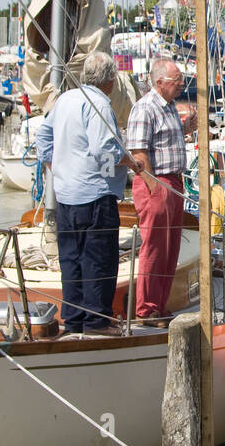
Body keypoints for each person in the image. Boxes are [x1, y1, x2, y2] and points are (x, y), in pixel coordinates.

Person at [35, 52, 131, 336]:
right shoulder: (98, 103)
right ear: (110, 80)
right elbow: (104, 150)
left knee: (71, 259)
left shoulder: (65, 99)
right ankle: (96, 321)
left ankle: (74, 318)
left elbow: (43, 138)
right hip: (94, 194)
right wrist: (129, 160)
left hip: (66, 193)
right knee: (99, 257)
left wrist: (56, 164)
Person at [125, 58, 188, 326]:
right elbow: (139, 152)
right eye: (177, 81)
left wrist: (187, 128)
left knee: (170, 248)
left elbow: (165, 140)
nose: (181, 86)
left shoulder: (170, 106)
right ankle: (147, 309)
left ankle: (159, 305)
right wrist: (154, 189)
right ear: (160, 83)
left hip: (173, 181)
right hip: (157, 182)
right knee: (154, 247)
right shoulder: (145, 108)